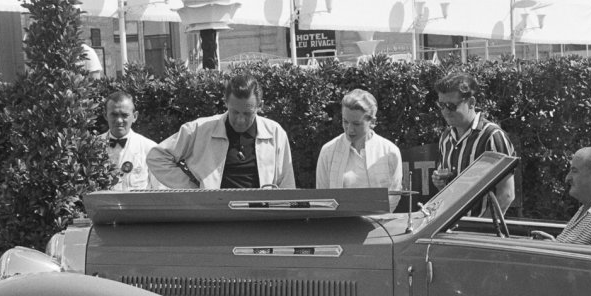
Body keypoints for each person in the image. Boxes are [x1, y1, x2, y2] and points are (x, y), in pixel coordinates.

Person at [147, 74, 295, 189]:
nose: (240, 120)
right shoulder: (199, 129)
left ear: (260, 106)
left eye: (247, 113)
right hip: (214, 214)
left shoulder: (275, 132)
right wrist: (190, 188)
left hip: (260, 214)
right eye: (235, 112)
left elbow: (286, 183)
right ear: (226, 103)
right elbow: (156, 157)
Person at [431, 73, 516, 215]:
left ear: (471, 103)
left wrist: (481, 225)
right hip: (453, 225)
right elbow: (449, 193)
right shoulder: (446, 137)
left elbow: (506, 195)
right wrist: (440, 183)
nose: (445, 111)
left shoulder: (492, 136)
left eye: (451, 106)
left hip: (479, 227)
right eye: (441, 105)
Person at [316, 89, 404, 211]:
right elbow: (323, 197)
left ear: (372, 122)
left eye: (356, 124)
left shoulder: (390, 152)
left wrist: (377, 219)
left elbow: (394, 196)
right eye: (345, 122)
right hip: (339, 223)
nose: (349, 129)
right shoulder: (328, 151)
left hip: (379, 222)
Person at [99, 91, 162, 191]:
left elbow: (160, 191)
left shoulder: (150, 148)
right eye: (114, 114)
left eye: (124, 115)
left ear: (135, 116)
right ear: (105, 115)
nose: (119, 120)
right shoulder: (93, 146)